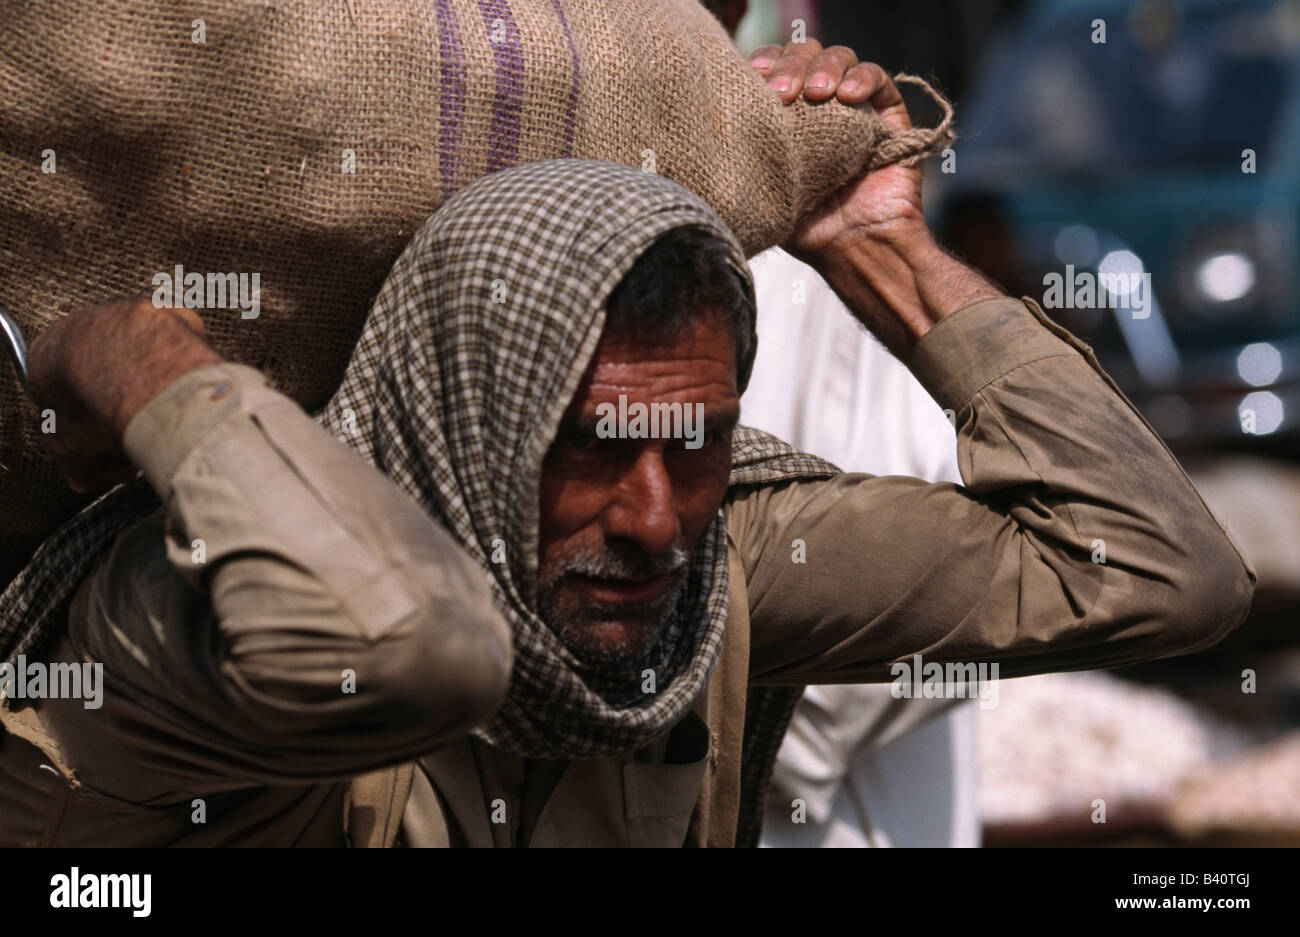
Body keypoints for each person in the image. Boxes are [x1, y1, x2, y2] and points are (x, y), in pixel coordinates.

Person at [1, 65, 1254, 846]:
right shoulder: (199, 617)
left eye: (696, 444)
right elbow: (408, 646)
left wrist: (879, 251)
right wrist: (153, 371)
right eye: (588, 446)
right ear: (462, 411)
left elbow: (1153, 567)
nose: (655, 516)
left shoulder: (708, 564)